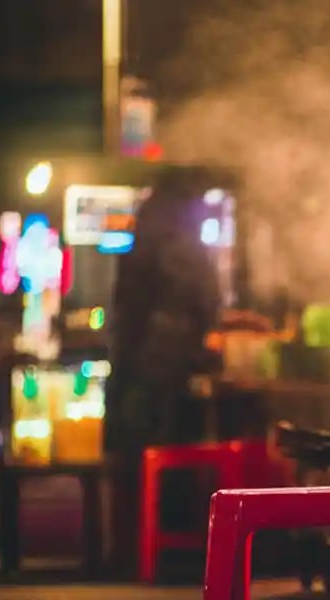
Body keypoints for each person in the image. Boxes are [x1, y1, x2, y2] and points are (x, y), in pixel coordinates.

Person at [103, 169, 220, 573]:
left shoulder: (148, 229)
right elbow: (206, 300)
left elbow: (127, 303)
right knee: (169, 457)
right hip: (166, 365)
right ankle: (172, 552)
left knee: (137, 457)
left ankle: (133, 552)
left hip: (137, 361)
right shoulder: (180, 238)